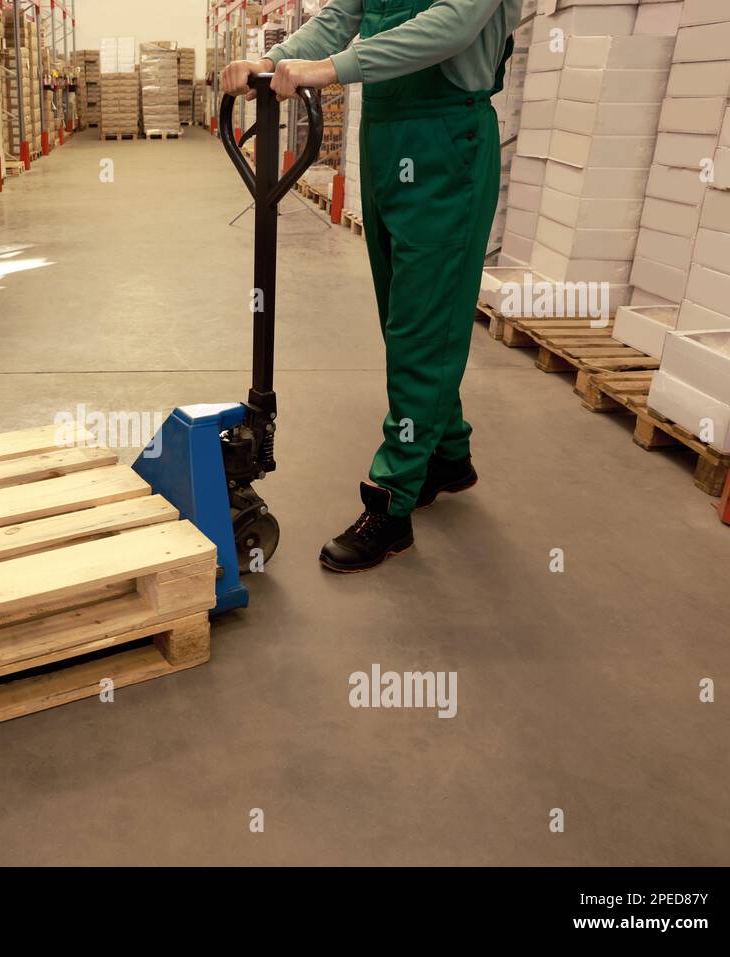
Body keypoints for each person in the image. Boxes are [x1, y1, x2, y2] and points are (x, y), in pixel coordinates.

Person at [222, 0, 522, 572]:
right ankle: (448, 454)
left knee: (421, 326)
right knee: (404, 318)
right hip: (386, 138)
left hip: (446, 139)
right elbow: (341, 16)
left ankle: (392, 499)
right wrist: (272, 59)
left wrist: (332, 69)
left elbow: (454, 24)